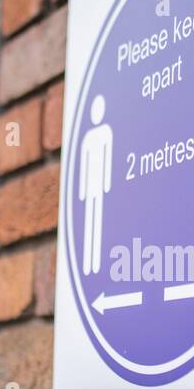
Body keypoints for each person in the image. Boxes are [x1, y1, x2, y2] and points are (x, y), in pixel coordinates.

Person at [79, 94, 113, 273]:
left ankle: (95, 265)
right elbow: (84, 162)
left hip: (99, 186)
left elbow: (107, 159)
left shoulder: (106, 132)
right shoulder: (88, 138)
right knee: (89, 223)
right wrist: (82, 191)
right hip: (90, 186)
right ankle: (88, 265)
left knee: (97, 221)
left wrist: (107, 183)